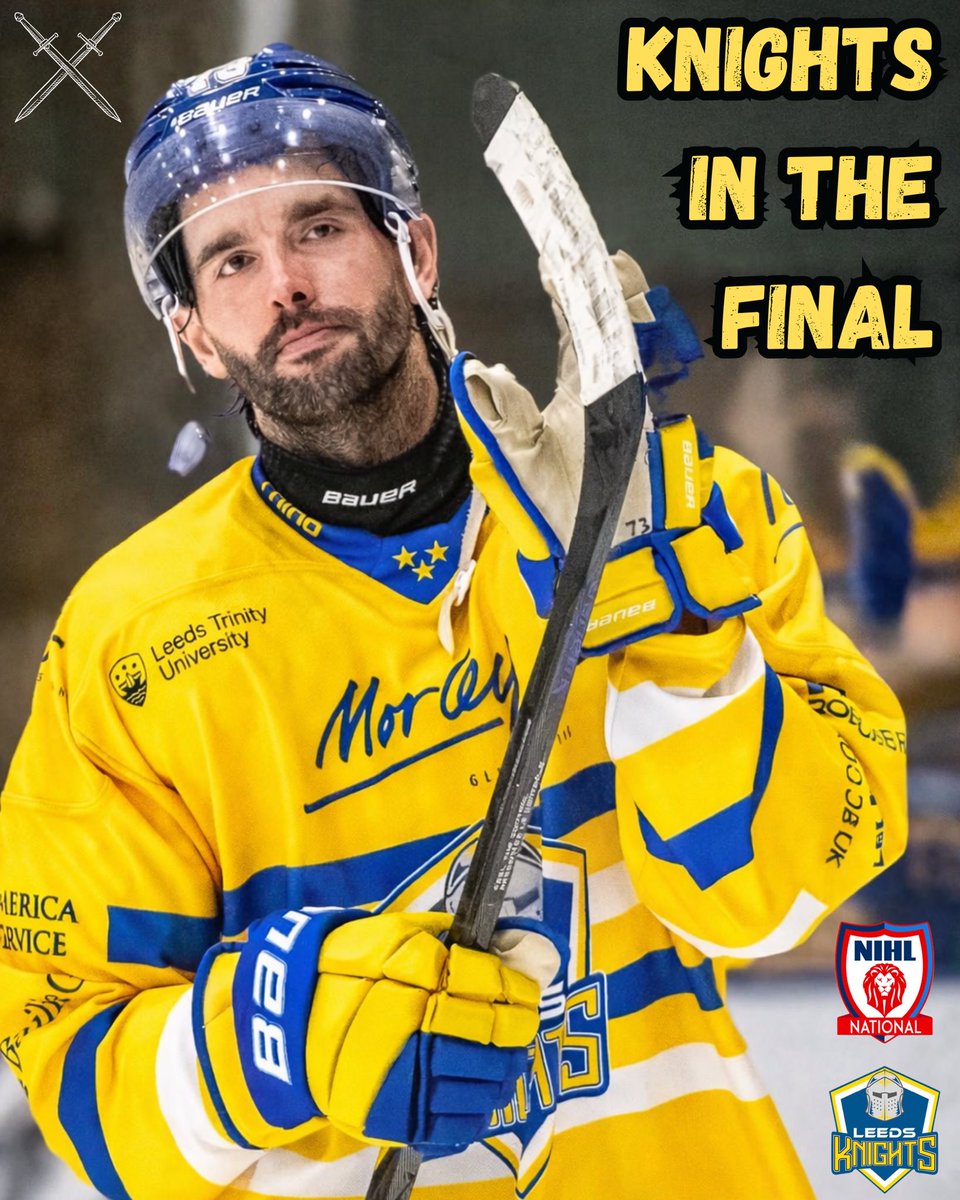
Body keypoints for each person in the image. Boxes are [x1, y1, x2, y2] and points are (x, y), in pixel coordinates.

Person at [0, 44, 906, 1200]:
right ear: (195, 335)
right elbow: (78, 1073)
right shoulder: (130, 642)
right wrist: (278, 1039)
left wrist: (674, 634)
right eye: (231, 259)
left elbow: (776, 906)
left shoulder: (684, 510)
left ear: (416, 251)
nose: (285, 284)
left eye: (321, 227)